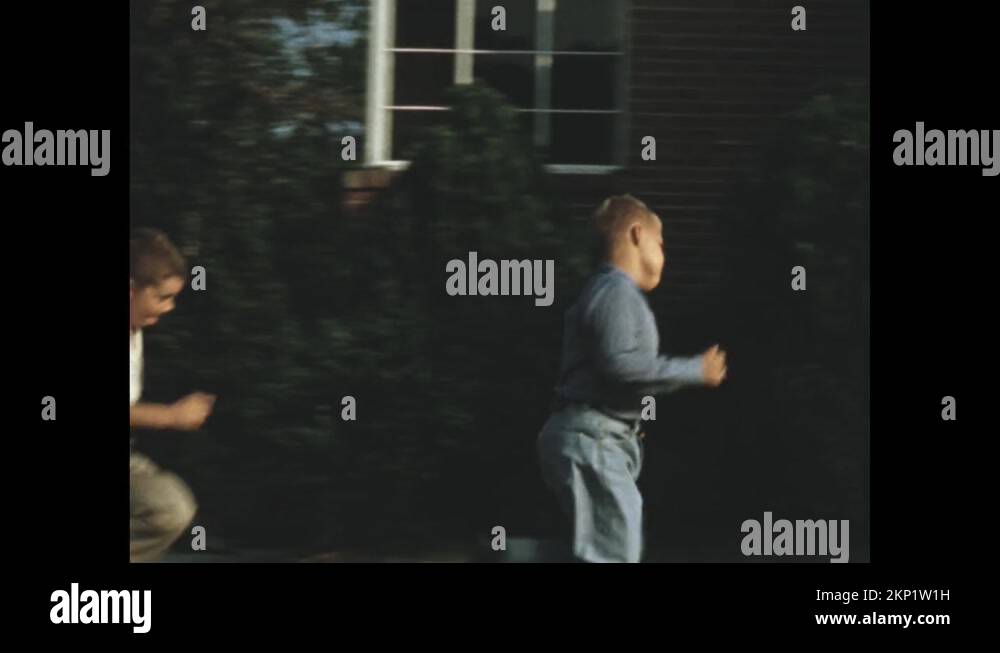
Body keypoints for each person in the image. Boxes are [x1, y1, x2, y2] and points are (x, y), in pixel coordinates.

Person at [537, 195, 728, 563]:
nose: (664, 255)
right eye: (661, 243)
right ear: (637, 234)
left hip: (595, 437)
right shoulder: (616, 292)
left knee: (595, 547)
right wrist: (694, 370)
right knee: (613, 554)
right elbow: (623, 368)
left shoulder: (609, 291)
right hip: (594, 440)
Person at [129, 228, 216, 562]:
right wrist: (171, 416)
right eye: (163, 297)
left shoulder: (136, 330)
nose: (170, 307)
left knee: (171, 508)